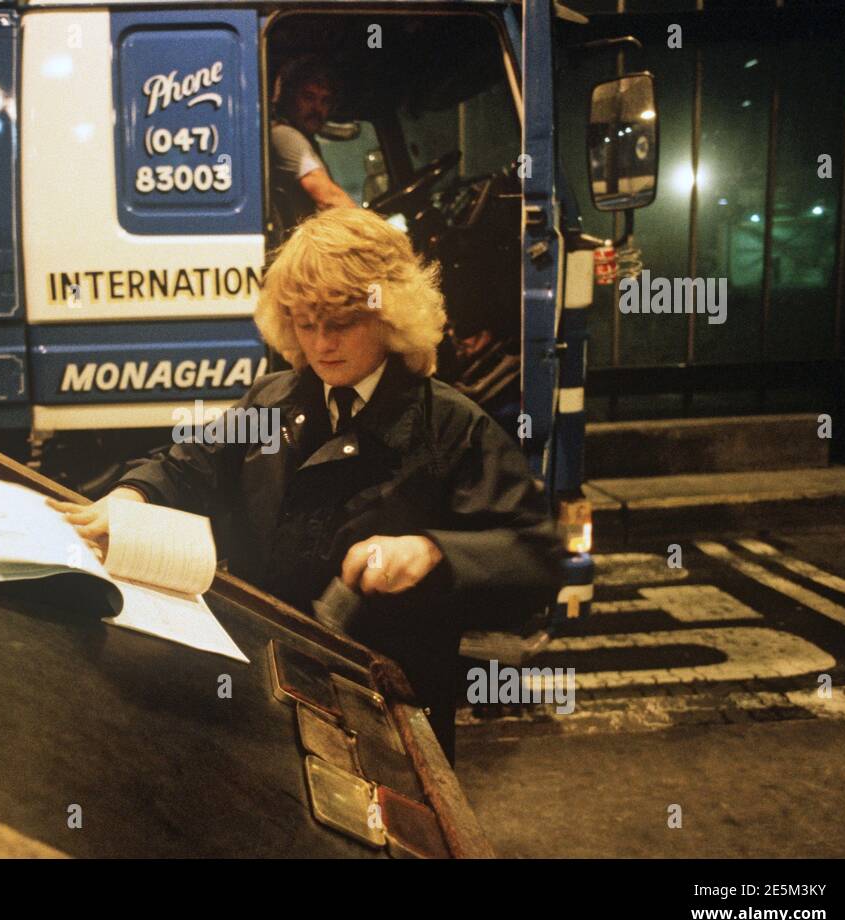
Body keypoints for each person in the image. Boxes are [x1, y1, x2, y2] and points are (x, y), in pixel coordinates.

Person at [48, 208, 561, 762]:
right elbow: (188, 464)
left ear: (389, 316)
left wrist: (434, 552)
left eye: (340, 323)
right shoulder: (272, 401)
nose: (321, 345)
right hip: (262, 690)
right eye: (304, 323)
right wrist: (130, 499)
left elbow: (535, 557)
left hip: (386, 716)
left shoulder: (452, 427)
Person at [268, 56, 356, 233]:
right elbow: (329, 198)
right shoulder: (285, 135)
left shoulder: (305, 138)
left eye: (325, 101)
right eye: (308, 97)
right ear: (289, 98)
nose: (317, 108)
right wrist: (377, 233)